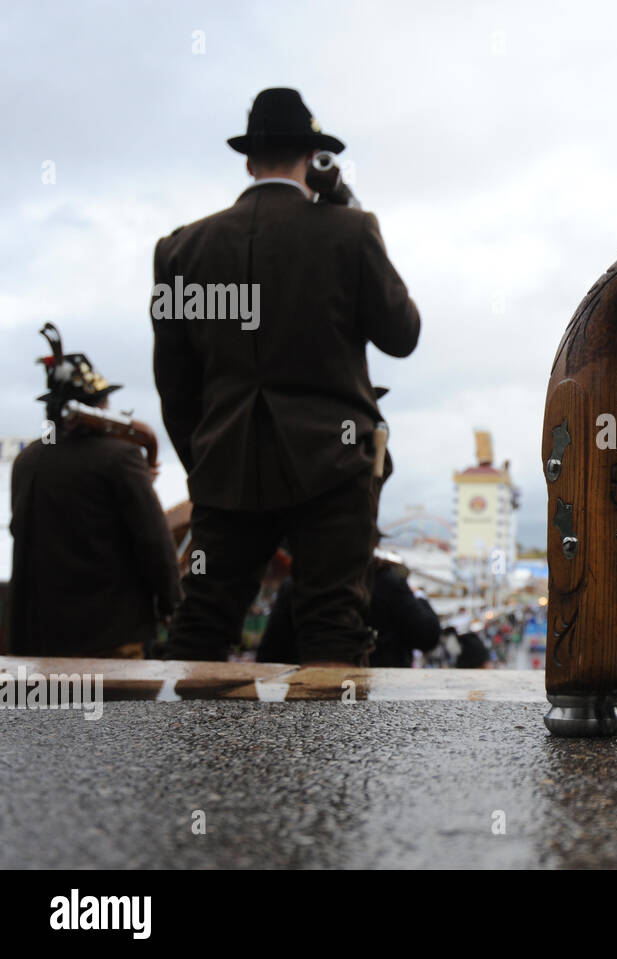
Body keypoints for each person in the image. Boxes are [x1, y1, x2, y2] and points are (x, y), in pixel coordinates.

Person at [152, 88, 420, 666]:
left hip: (225, 463)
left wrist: (205, 458)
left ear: (248, 162)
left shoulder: (181, 250)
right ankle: (329, 756)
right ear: (311, 161)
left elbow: (173, 383)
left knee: (202, 621)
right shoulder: (349, 230)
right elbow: (403, 335)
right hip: (333, 460)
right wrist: (346, 205)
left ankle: (188, 754)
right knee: (333, 623)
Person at [7, 325, 178, 658]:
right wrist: (171, 602)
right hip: (109, 640)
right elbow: (153, 540)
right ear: (98, 405)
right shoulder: (121, 456)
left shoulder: (27, 460)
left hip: (36, 643)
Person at [257, 551, 442, 667]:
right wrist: (419, 597)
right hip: (382, 696)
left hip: (306, 696)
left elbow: (269, 654)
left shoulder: (296, 584)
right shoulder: (387, 582)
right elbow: (427, 635)